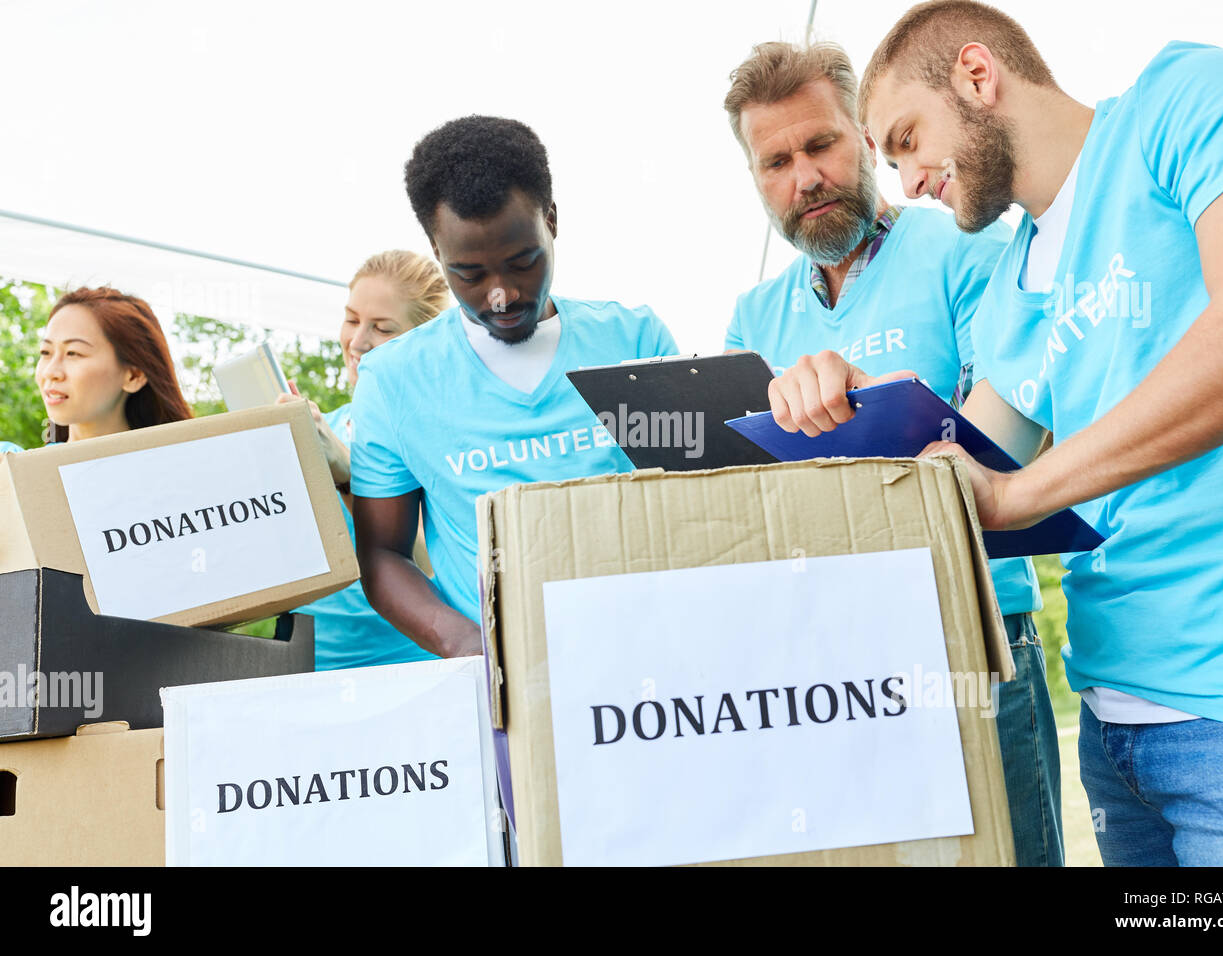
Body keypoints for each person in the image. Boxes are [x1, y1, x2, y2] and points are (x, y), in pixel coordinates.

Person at [772, 0, 1223, 865]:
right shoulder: (1013, 289)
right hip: (1114, 732)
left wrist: (1020, 495)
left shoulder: (1188, 98)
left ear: (978, 76)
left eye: (907, 140)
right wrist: (853, 405)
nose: (908, 184)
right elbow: (956, 478)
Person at [722, 40, 1060, 866]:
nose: (805, 178)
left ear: (866, 140)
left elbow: (1013, 447)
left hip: (974, 636)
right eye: (776, 162)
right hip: (821, 661)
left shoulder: (971, 251)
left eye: (821, 144)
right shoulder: (751, 320)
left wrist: (874, 401)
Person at [349, 115, 679, 658]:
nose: (501, 295)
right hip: (497, 677)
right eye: (470, 275)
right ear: (436, 249)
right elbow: (383, 555)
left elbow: (692, 505)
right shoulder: (394, 382)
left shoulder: (634, 340)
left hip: (645, 657)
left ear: (552, 220)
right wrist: (468, 646)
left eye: (523, 263)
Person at [282, 250, 451, 670]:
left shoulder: (445, 435)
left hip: (409, 670)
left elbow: (432, 565)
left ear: (424, 338)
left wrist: (345, 469)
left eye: (382, 327)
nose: (357, 342)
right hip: (304, 668)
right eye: (352, 319)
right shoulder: (323, 427)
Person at [35, 286, 192, 443]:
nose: (49, 372)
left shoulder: (181, 457)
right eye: (45, 352)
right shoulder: (26, 459)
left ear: (134, 376)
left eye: (73, 353)